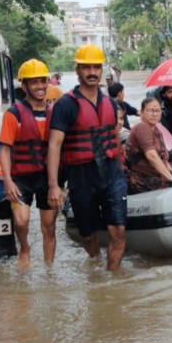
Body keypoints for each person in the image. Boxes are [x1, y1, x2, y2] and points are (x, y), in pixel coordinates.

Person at [46, 44, 127, 271]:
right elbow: (54, 145)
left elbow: (115, 138)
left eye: (96, 67)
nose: (92, 72)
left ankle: (111, 285)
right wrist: (54, 186)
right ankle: (95, 265)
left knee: (119, 231)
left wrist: (121, 171)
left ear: (101, 70)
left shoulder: (111, 104)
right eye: (86, 67)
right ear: (78, 70)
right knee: (88, 236)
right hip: (82, 176)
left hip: (111, 173)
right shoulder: (66, 105)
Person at [0, 59, 59, 266]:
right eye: (34, 82)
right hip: (21, 178)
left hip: (47, 177)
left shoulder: (55, 112)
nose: (40, 86)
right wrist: (7, 181)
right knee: (22, 221)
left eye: (43, 81)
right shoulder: (13, 114)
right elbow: (4, 149)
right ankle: (24, 248)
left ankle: (49, 270)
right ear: (24, 86)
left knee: (49, 227)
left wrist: (57, 184)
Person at [125, 97, 172, 194]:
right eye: (150, 110)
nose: (154, 114)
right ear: (142, 112)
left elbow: (163, 162)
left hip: (158, 178)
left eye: (157, 110)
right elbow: (151, 156)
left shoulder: (157, 131)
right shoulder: (142, 127)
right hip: (143, 182)